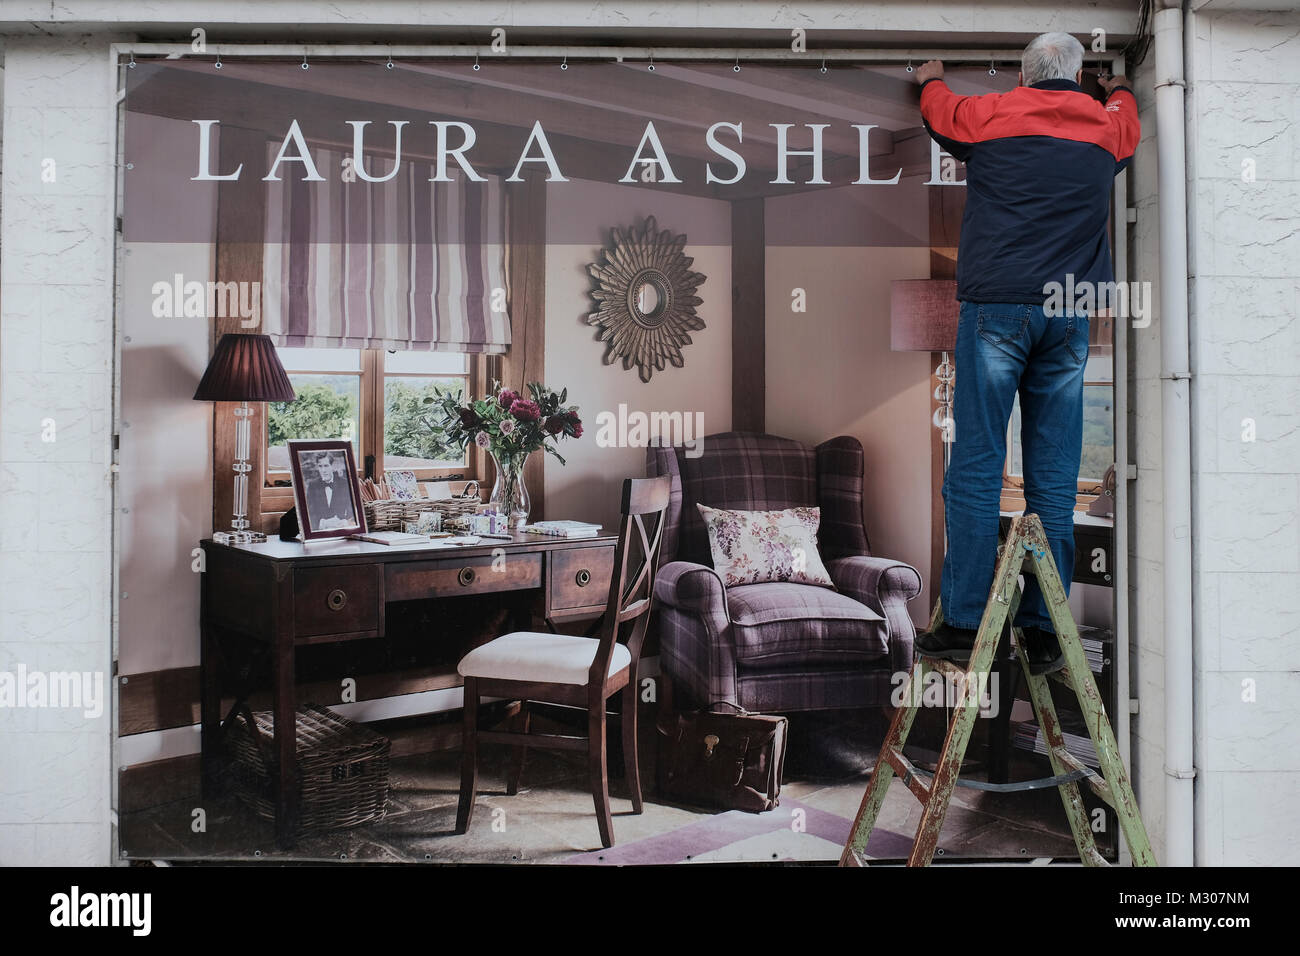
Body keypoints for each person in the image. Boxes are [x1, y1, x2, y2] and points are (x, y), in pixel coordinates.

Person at [913, 33, 1139, 675]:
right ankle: (1043, 629)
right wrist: (1114, 87)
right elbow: (1130, 119)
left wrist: (931, 73)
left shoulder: (991, 114)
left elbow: (939, 112)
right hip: (1067, 315)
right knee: (1055, 475)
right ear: (1073, 76)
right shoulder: (1105, 126)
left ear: (1024, 74)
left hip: (998, 310)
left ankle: (962, 621)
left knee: (979, 464)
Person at [304, 452, 356, 531]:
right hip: (320, 532)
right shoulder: (312, 485)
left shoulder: (345, 484)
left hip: (342, 530)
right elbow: (309, 513)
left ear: (333, 466)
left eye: (326, 466)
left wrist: (345, 522)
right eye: (320, 466)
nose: (323, 470)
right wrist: (321, 524)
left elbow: (351, 510)